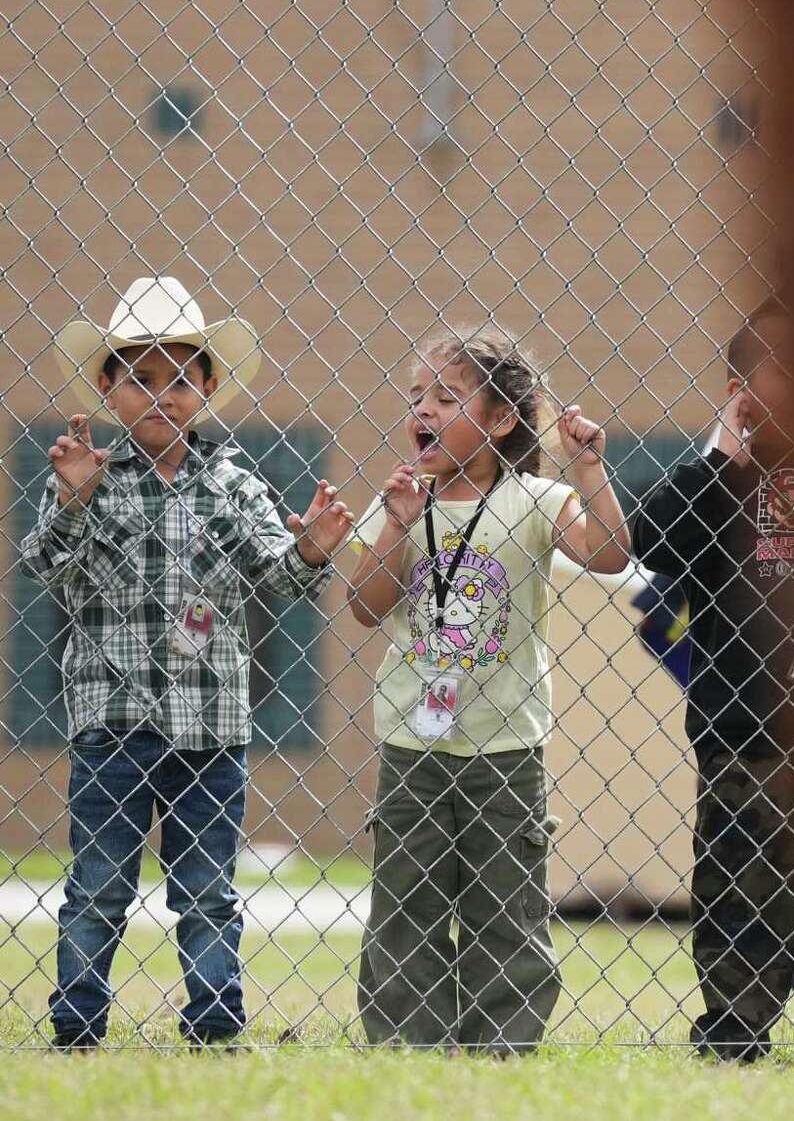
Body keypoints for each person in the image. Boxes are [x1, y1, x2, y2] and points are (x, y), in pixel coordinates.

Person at [25, 276, 353, 1051]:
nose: (160, 396)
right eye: (139, 378)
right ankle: (77, 1021)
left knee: (208, 887)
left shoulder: (233, 482)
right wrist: (72, 501)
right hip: (114, 725)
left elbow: (275, 571)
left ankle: (214, 1019)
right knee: (100, 884)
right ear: (106, 388)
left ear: (208, 388)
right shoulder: (87, 479)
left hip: (211, 730)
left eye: (180, 379)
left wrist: (309, 547)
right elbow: (50, 568)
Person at [348, 325, 629, 1053]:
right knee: (405, 902)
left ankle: (501, 1043)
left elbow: (606, 553)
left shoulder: (537, 499)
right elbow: (363, 603)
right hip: (414, 739)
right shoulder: (404, 500)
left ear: (502, 418)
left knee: (506, 905)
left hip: (507, 742)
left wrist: (590, 467)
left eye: (447, 396)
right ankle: (410, 1042)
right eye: (417, 398)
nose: (425, 410)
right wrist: (396, 529)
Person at [629, 299, 794, 1062]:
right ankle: (735, 1026)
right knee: (740, 897)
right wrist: (723, 455)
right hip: (748, 741)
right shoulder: (721, 483)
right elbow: (654, 540)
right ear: (742, 388)